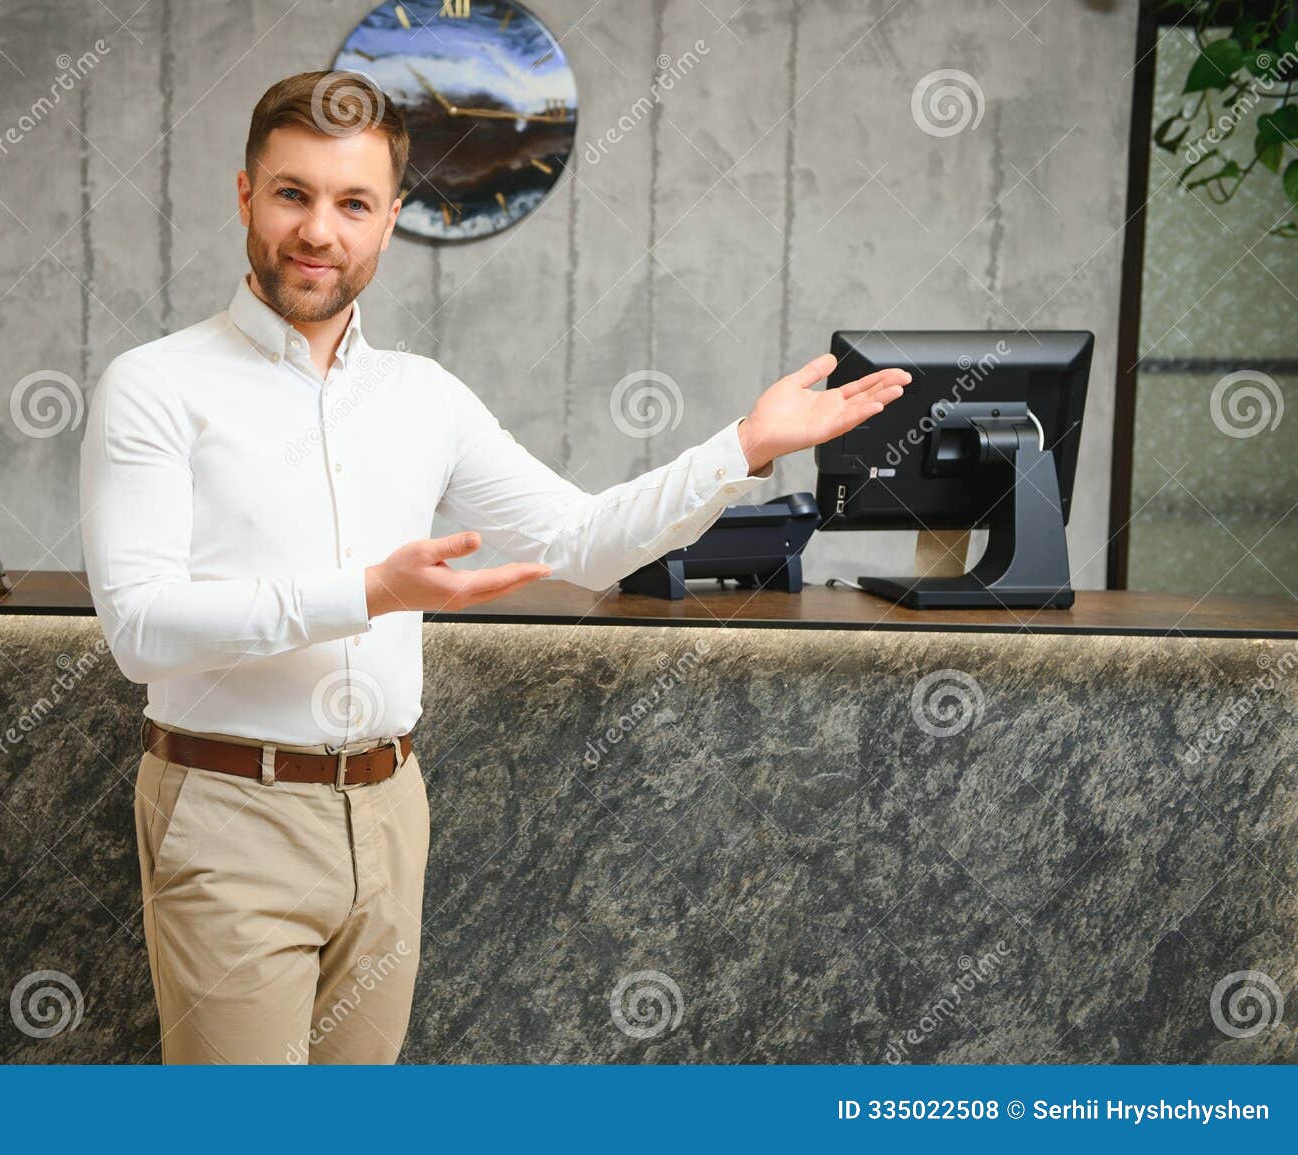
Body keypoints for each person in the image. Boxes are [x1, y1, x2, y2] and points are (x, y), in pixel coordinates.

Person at [78, 70, 910, 1064]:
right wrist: (371, 594)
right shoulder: (155, 386)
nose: (318, 232)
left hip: (390, 814)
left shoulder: (423, 398)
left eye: (352, 204)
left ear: (391, 219)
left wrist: (740, 448)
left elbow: (586, 542)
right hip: (229, 816)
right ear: (245, 194)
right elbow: (141, 630)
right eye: (293, 194)